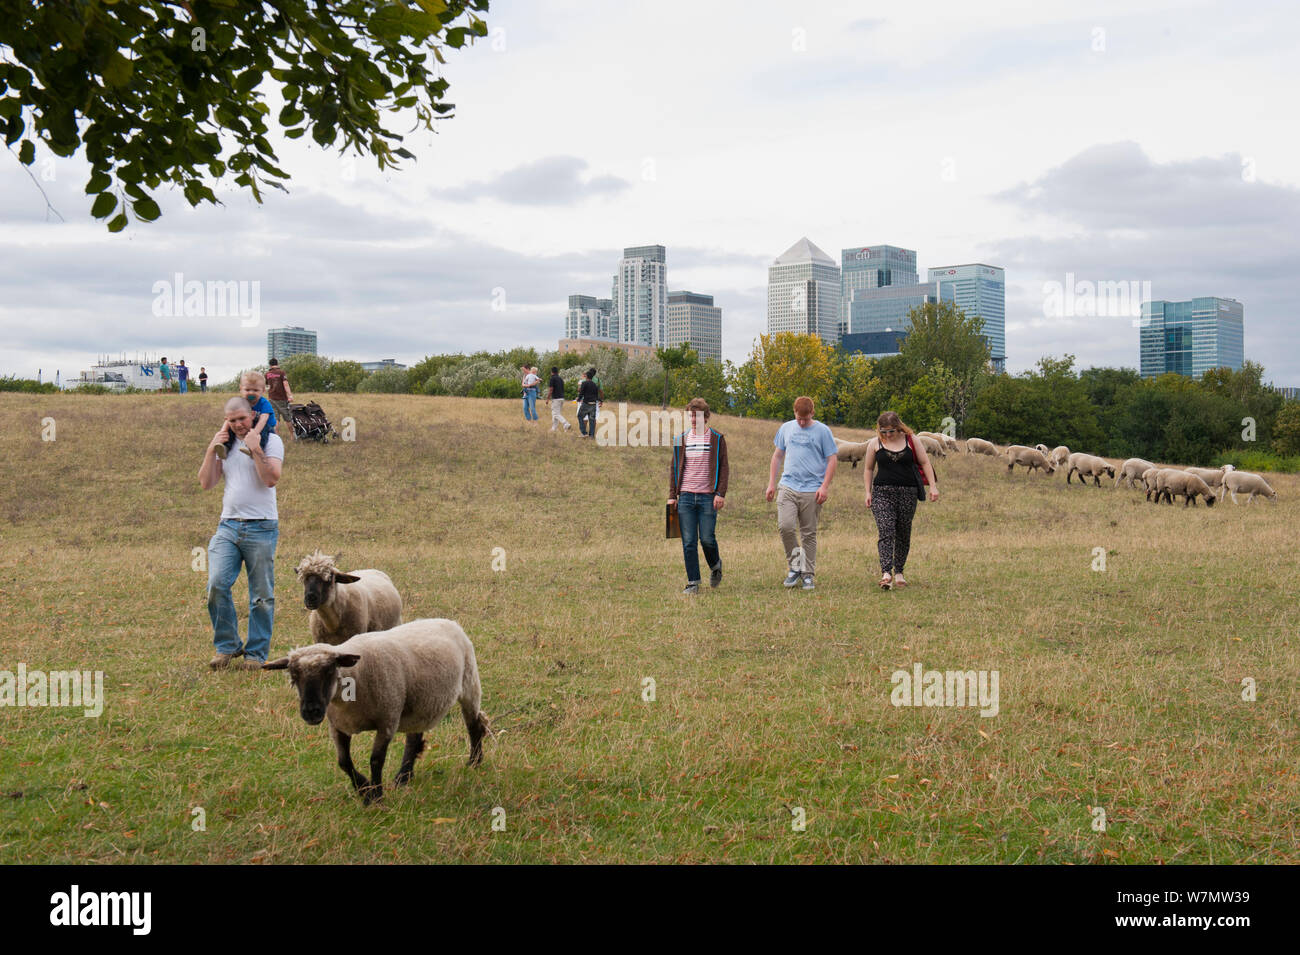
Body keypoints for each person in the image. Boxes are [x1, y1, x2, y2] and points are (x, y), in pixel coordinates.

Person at [199, 395, 285, 669]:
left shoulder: (271, 441)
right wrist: (212, 449)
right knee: (216, 583)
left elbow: (271, 479)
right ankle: (227, 647)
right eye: (232, 420)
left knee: (261, 594)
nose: (238, 424)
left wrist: (255, 448)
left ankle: (255, 655)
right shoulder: (225, 446)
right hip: (228, 525)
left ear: (252, 416)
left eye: (242, 419)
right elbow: (206, 483)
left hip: (262, 525)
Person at [765, 395, 838, 591]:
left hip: (812, 490)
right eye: (799, 418)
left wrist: (824, 486)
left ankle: (807, 574)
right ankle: (795, 566)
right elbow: (777, 455)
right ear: (794, 413)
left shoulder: (823, 431)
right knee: (785, 526)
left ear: (812, 413)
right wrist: (771, 483)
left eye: (805, 419)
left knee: (808, 533)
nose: (802, 422)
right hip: (788, 486)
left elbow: (832, 459)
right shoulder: (786, 428)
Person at [861, 411, 939, 590]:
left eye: (892, 431)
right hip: (882, 492)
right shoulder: (875, 443)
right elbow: (868, 469)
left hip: (908, 492)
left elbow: (925, 463)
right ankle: (886, 572)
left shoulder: (911, 440)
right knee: (886, 530)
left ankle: (899, 572)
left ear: (899, 427)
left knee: (903, 533)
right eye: (884, 431)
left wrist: (933, 486)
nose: (888, 435)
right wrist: (867, 492)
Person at [667, 398, 728, 594]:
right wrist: (672, 496)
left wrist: (720, 493)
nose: (694, 419)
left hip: (707, 498)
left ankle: (715, 565)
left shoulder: (717, 439)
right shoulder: (681, 439)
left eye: (698, 416)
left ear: (707, 417)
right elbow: (674, 468)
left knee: (708, 538)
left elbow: (724, 468)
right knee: (689, 541)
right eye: (691, 416)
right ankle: (693, 582)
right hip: (685, 497)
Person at [216, 371, 276, 459]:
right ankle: (225, 448)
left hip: (266, 426)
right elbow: (230, 417)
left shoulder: (264, 403)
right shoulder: (241, 402)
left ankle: (255, 450)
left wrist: (254, 433)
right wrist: (223, 432)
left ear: (263, 390)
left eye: (255, 390)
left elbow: (263, 419)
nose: (251, 393)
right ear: (241, 389)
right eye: (247, 390)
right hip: (250, 424)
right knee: (232, 428)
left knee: (263, 433)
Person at [264, 358, 294, 432]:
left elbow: (267, 386)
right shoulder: (281, 372)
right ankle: (292, 436)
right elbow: (285, 384)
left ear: (270, 365)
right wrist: (290, 395)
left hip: (271, 399)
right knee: (287, 418)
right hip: (282, 399)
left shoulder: (267, 374)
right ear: (277, 364)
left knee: (275, 419)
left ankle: (275, 436)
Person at [576, 367, 600, 438]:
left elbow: (581, 393)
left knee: (580, 416)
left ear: (586, 376)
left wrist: (578, 399)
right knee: (592, 420)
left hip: (586, 403)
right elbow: (596, 395)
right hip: (593, 404)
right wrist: (600, 401)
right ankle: (591, 435)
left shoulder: (584, 383)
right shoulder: (595, 385)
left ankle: (584, 432)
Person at [546, 366, 572, 432]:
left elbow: (551, 389)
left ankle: (566, 423)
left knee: (556, 414)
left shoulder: (552, 379)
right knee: (555, 413)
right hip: (561, 398)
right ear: (557, 372)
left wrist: (547, 399)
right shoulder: (560, 379)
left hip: (556, 398)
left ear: (551, 372)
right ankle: (554, 428)